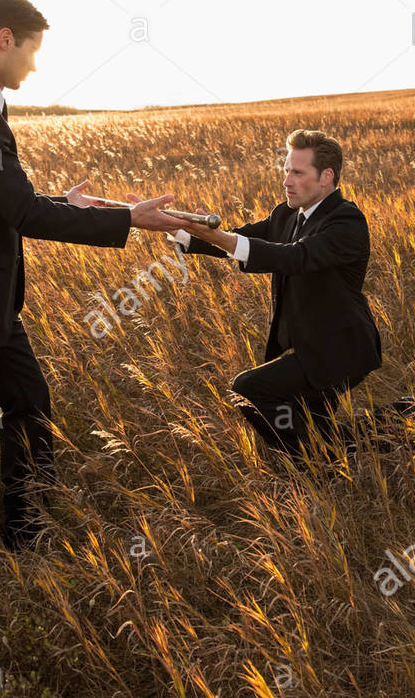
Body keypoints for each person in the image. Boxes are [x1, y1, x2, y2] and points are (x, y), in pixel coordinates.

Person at [0, 0, 193, 551]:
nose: (35, 66)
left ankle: (27, 526)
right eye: (32, 51)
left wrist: (66, 202)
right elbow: (18, 210)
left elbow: (0, 197)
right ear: (5, 38)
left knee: (30, 403)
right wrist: (129, 220)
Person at [162, 129, 383, 461]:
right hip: (308, 347)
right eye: (285, 171)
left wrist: (219, 237)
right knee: (318, 429)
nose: (287, 181)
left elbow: (295, 257)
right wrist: (173, 227)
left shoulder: (346, 222)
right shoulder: (286, 214)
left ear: (326, 177)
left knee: (249, 390)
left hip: (339, 352)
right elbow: (236, 241)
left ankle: (314, 468)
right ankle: (392, 426)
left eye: (297, 172)